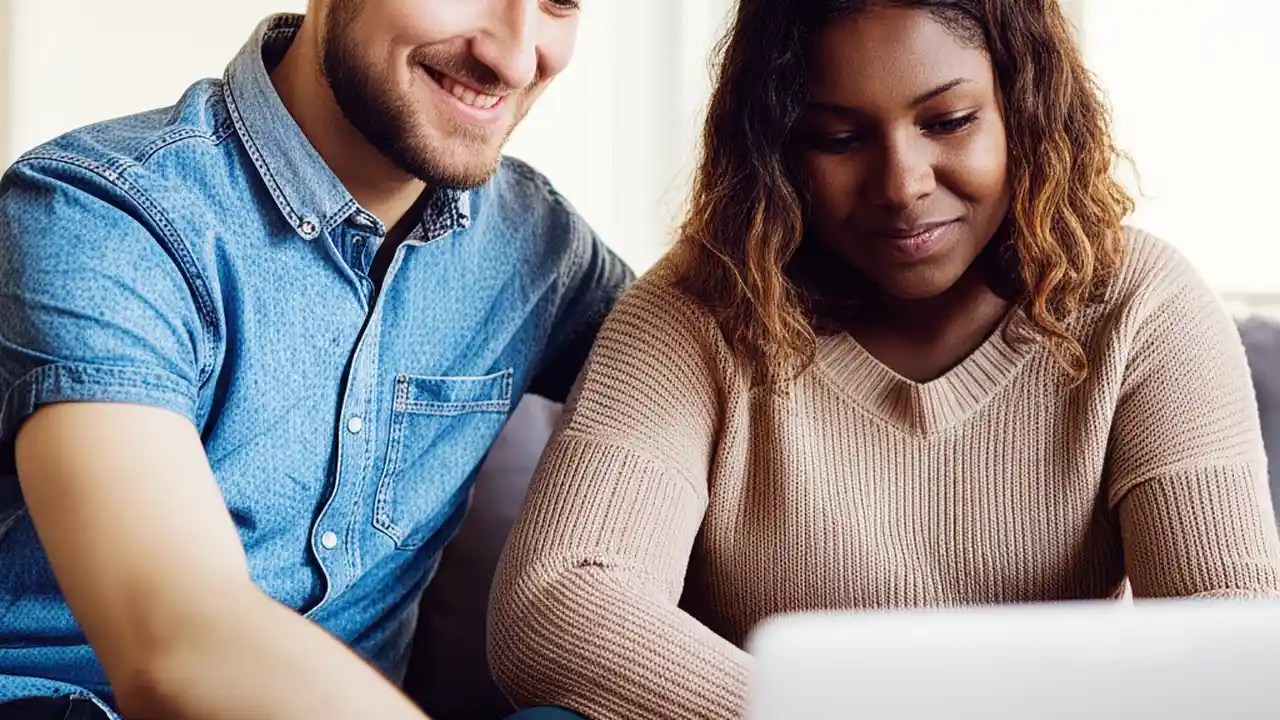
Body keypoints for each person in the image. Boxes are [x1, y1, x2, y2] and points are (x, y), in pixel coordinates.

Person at [488, 0, 1280, 717]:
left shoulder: (1143, 307)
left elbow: (1231, 645)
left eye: (948, 121)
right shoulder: (699, 309)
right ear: (778, 150)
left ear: (1023, 108)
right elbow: (558, 598)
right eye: (838, 138)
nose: (901, 185)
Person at [0, 1, 628, 719]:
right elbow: (176, 647)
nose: (515, 59)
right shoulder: (96, 214)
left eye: (560, 2)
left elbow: (737, 378)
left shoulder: (536, 251)